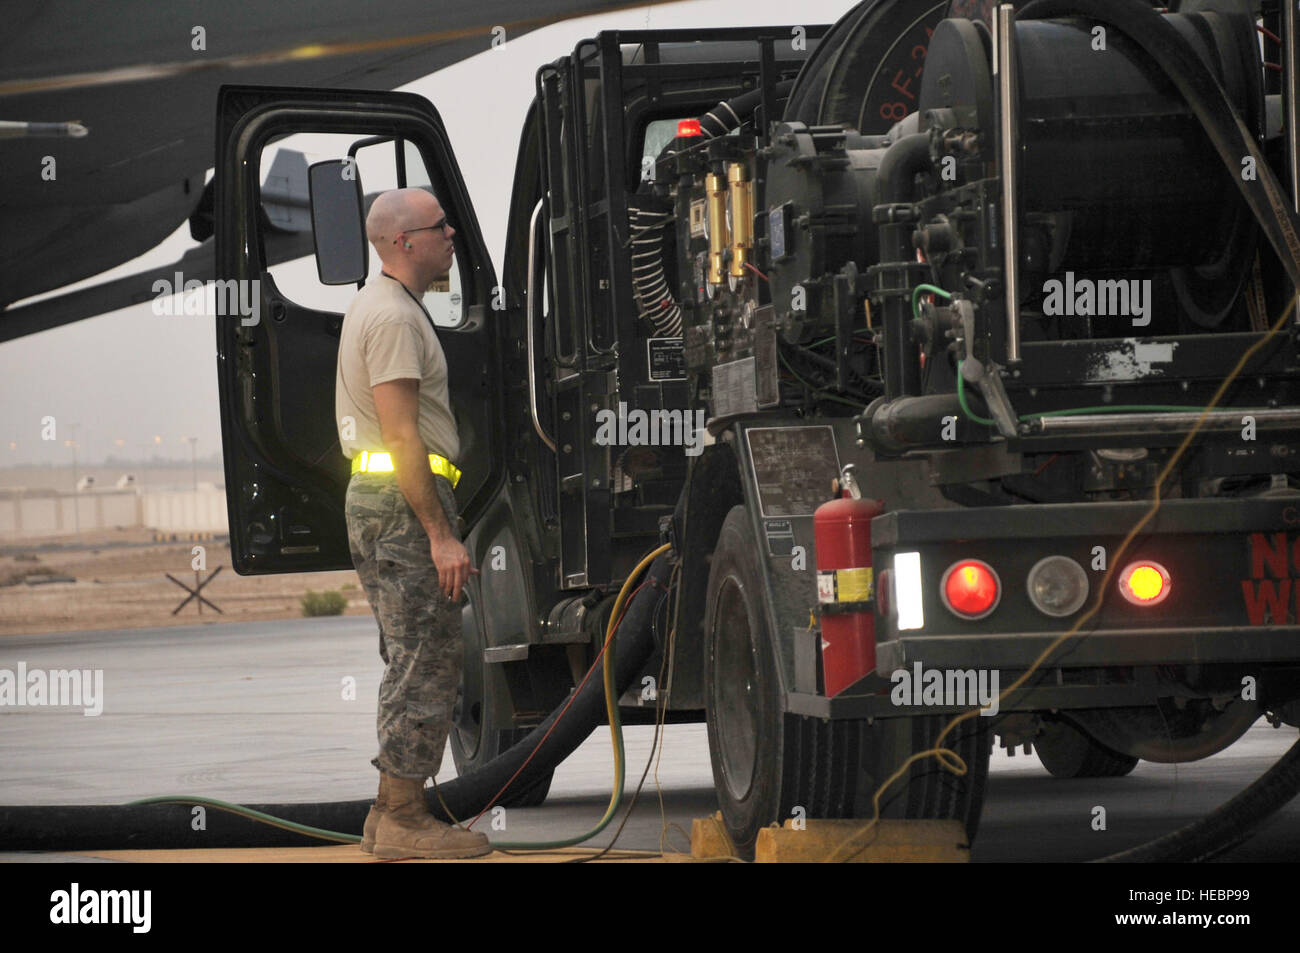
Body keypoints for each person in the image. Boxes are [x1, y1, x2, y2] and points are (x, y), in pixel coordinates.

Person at [335, 187, 490, 860]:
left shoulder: (384, 308)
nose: (451, 234)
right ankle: (403, 818)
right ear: (405, 242)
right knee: (428, 658)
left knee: (410, 657)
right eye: (438, 226)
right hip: (402, 507)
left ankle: (389, 812)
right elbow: (401, 437)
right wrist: (440, 533)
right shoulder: (394, 318)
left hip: (387, 504)